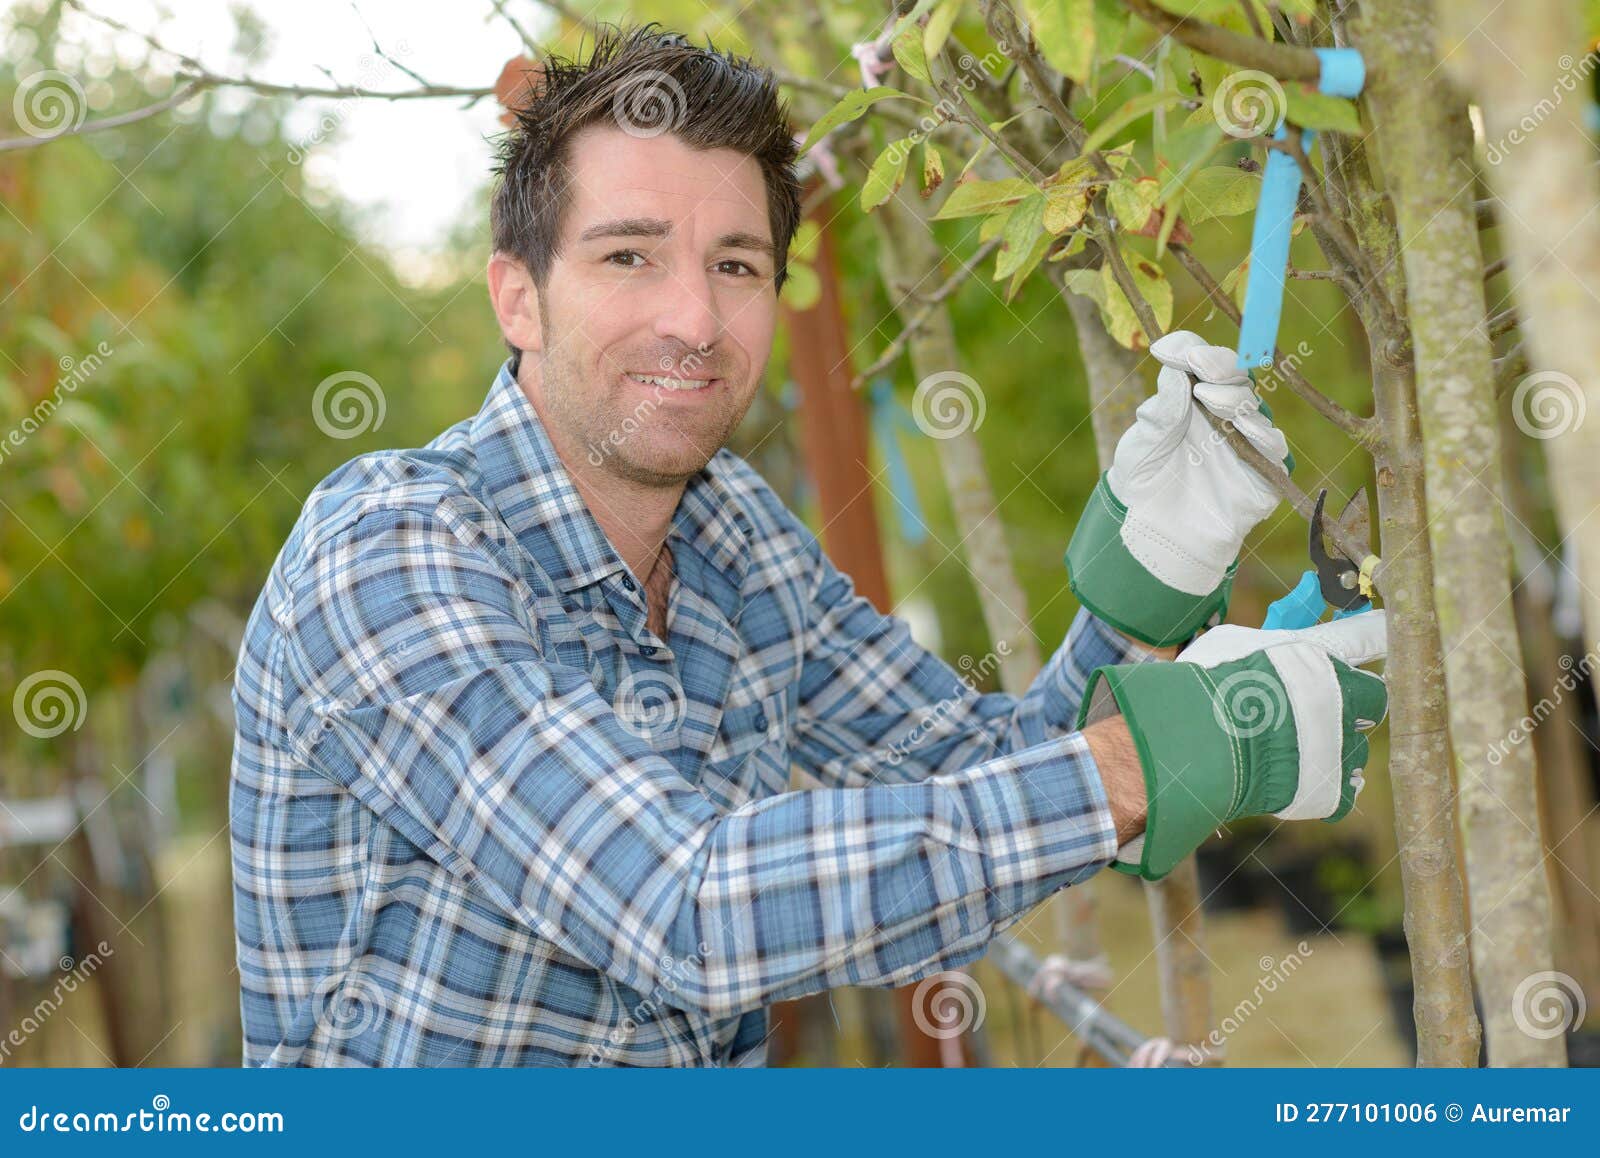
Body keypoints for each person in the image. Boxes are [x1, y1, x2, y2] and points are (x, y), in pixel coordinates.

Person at [229, 24, 1387, 1068]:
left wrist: (1151, 577)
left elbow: (983, 783)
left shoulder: (734, 536)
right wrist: (1150, 757)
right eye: (628, 255)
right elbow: (683, 911)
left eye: (733, 265)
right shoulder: (386, 546)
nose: (692, 318)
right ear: (518, 298)